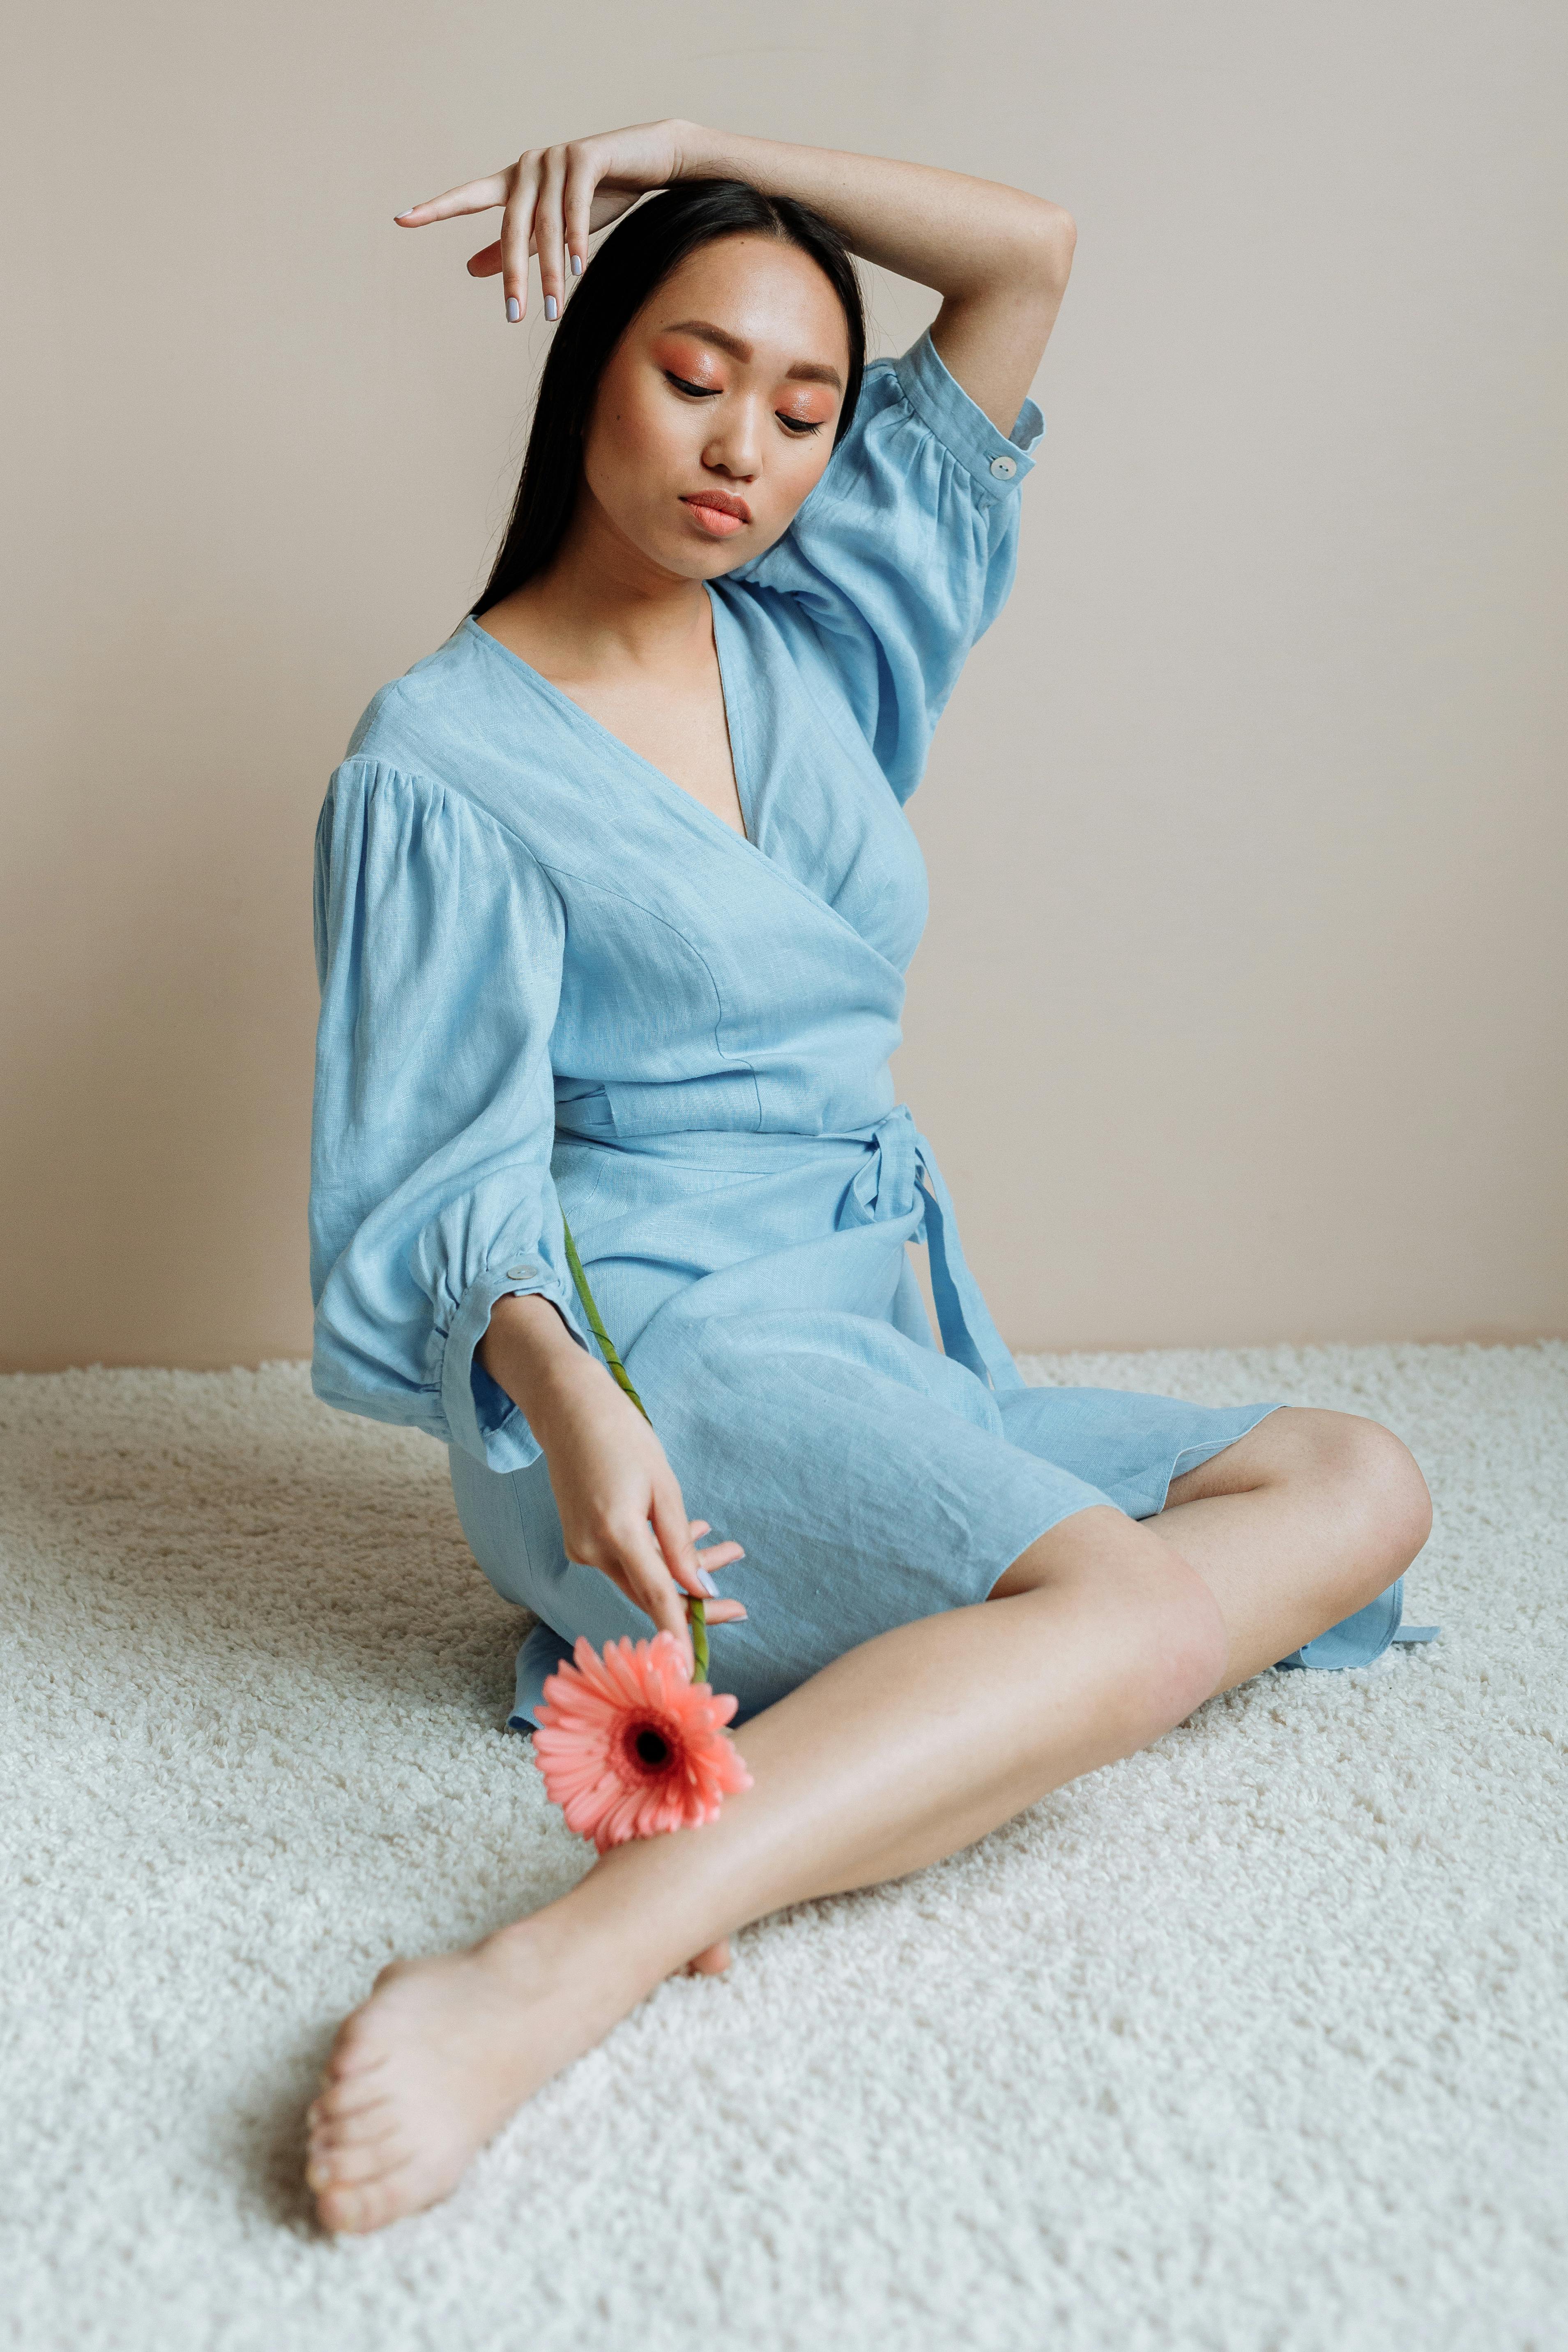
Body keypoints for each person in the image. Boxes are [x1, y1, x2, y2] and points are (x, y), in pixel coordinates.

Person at [303, 119, 1434, 2235]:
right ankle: (560, 1962)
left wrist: (697, 153)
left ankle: (852, 1715)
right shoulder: (440, 756)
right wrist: (578, 1412)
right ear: (589, 379)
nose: (748, 447)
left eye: (807, 408)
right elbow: (434, 1178)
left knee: (1358, 1478)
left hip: (867, 1328)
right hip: (645, 1364)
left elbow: (1031, 255)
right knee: (1125, 1607)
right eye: (693, 371)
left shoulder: (819, 634)